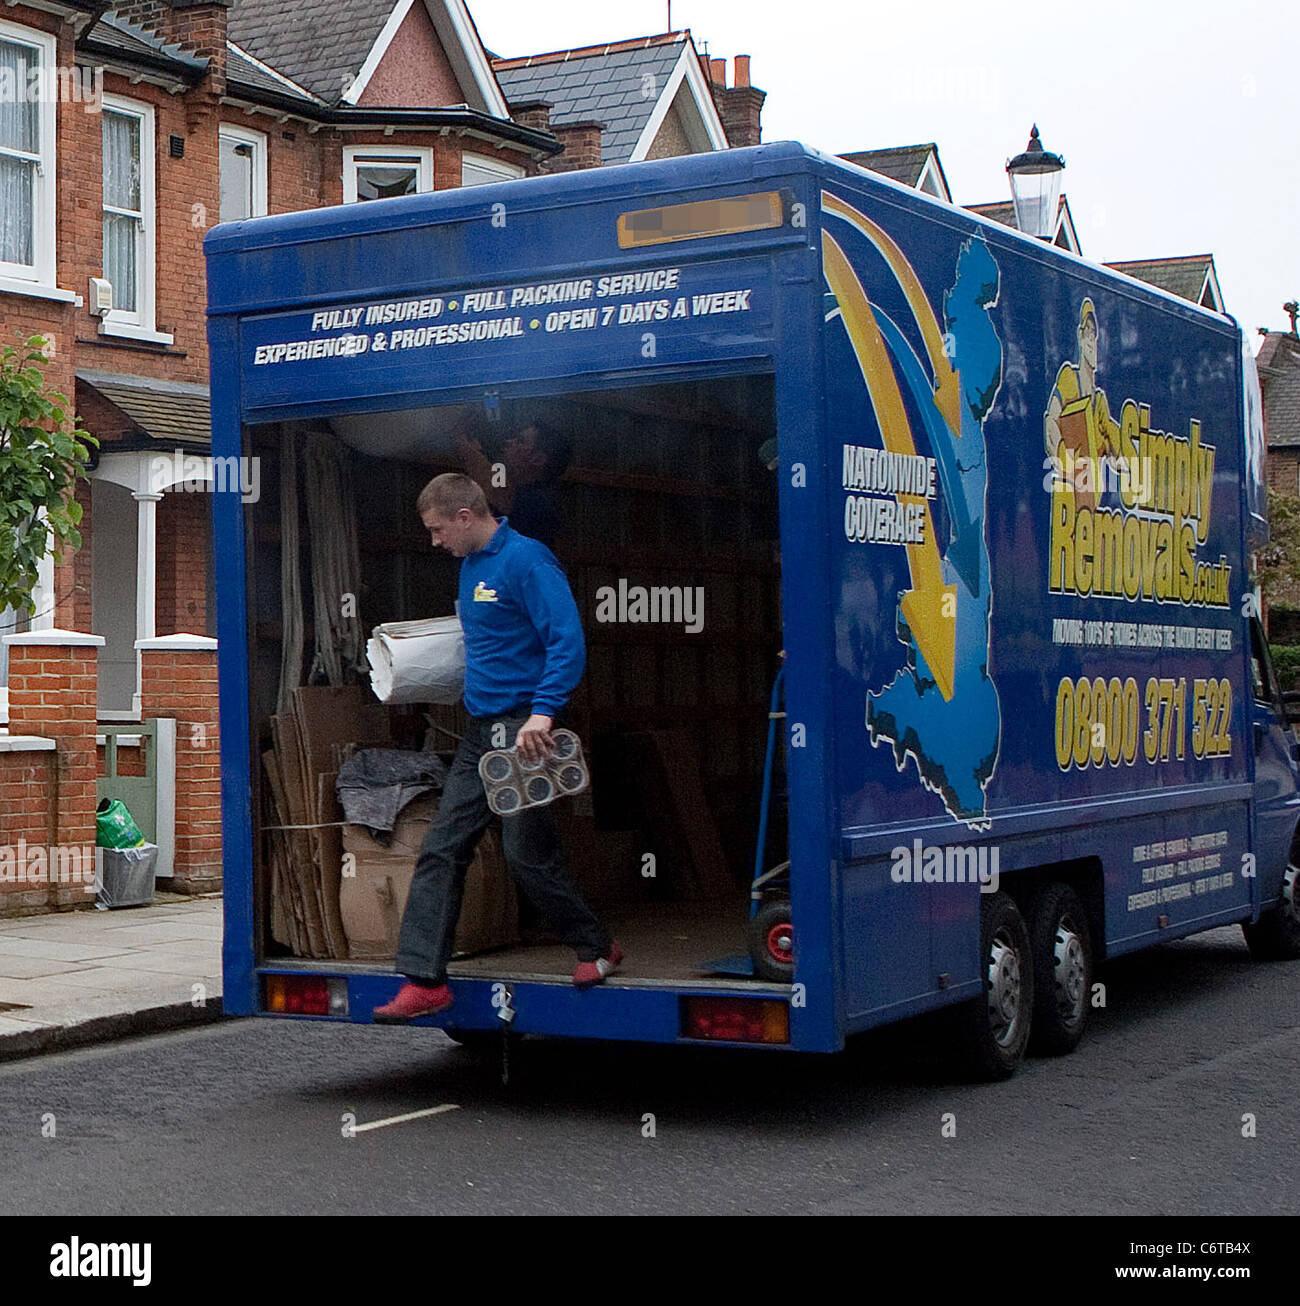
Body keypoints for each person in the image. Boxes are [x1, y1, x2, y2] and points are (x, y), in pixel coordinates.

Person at [373, 473, 620, 1022]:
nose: (434, 541)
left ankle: (596, 945)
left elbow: (566, 638)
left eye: (438, 530)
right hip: (481, 733)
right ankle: (424, 980)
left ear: (465, 517)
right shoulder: (470, 566)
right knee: (442, 847)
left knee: (526, 855)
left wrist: (544, 711)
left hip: (525, 731)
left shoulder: (529, 562)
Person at [453, 418, 572, 550]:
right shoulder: (516, 487)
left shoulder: (535, 502)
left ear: (537, 459)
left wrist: (462, 443)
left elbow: (494, 487)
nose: (509, 442)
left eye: (520, 441)